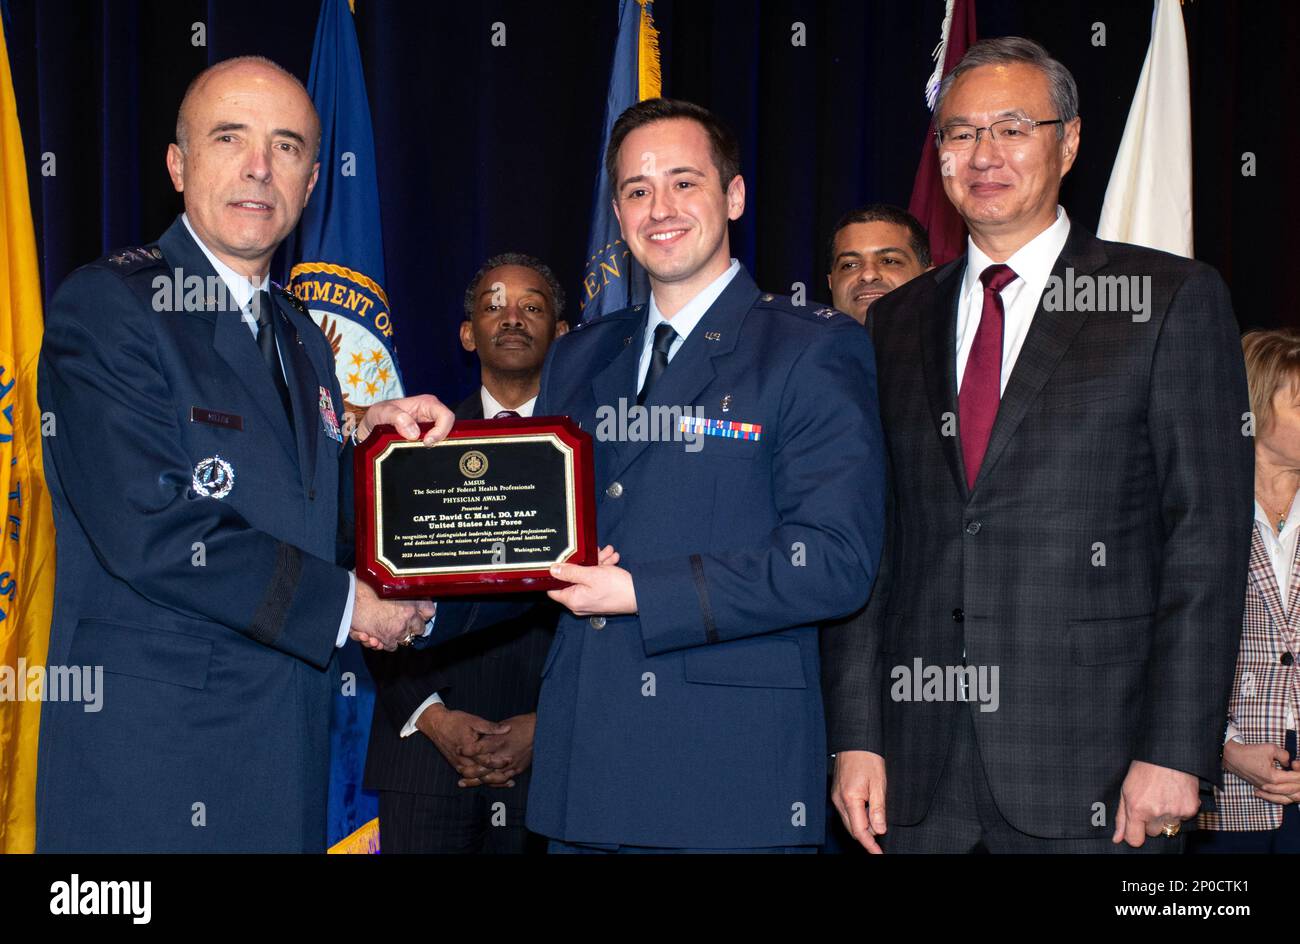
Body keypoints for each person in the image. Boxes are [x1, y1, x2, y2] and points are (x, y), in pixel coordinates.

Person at [398, 98, 885, 852]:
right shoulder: (580, 355)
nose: (660, 208)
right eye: (636, 190)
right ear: (617, 212)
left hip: (728, 780)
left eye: (685, 183)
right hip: (583, 777)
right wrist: (424, 605)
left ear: (734, 196)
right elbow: (535, 545)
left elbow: (835, 563)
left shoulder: (808, 349)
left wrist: (637, 593)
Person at [821, 37, 1254, 854]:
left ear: (1071, 141)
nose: (984, 155)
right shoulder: (894, 323)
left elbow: (1206, 541)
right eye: (959, 133)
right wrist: (856, 734)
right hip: (913, 774)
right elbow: (870, 545)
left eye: (1014, 128)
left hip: (1101, 771)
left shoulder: (1167, 301)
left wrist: (1173, 749)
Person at [35, 56, 452, 852]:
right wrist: (354, 606)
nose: (260, 167)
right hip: (155, 770)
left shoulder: (302, 336)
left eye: (288, 146)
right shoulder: (110, 306)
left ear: (313, 179)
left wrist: (378, 449)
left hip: (284, 757)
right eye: (231, 137)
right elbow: (152, 527)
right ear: (178, 164)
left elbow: (294, 499)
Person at [363, 254, 568, 853]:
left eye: (532, 306)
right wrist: (430, 715)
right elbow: (373, 591)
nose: (512, 318)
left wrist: (548, 725)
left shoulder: (592, 448)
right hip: (423, 755)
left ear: (562, 330)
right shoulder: (409, 445)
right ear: (466, 331)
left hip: (552, 759)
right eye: (493, 305)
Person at [1192, 330, 1300, 853]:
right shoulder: (1194, 509)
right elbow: (1157, 644)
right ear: (1256, 406)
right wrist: (1224, 748)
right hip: (1221, 781)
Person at [825, 204, 931, 328]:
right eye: (850, 265)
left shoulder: (955, 345)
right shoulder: (807, 345)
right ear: (831, 283)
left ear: (928, 277)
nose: (868, 275)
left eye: (889, 261)